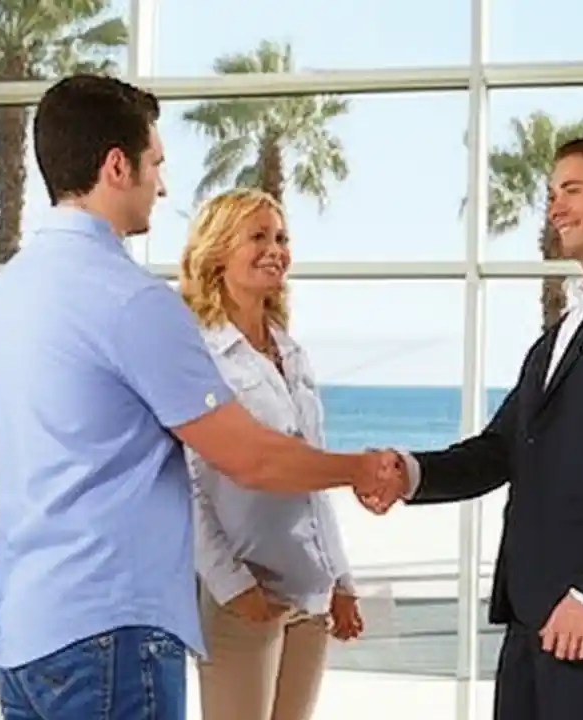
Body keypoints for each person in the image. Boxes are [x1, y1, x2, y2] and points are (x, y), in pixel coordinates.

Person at [0, 75, 393, 720]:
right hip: (109, 633)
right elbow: (247, 458)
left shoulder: (8, 291)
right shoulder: (134, 301)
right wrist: (360, 468)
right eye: (155, 165)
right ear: (117, 166)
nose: (162, 187)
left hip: (24, 631)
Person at [362, 137, 583, 719]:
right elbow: (500, 449)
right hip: (529, 612)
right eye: (551, 194)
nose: (554, 207)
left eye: (571, 190)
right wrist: (410, 474)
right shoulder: (558, 334)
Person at [179, 188, 362, 720]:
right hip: (247, 597)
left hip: (310, 596)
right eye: (258, 236)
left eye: (281, 238)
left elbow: (312, 477)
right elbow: (187, 483)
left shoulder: (292, 353)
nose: (275, 249)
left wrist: (341, 580)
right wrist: (234, 588)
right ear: (216, 252)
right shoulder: (198, 354)